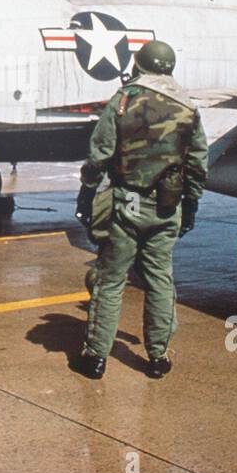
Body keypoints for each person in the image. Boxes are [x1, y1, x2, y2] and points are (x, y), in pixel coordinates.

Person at [74, 40, 207, 380]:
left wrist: (87, 194)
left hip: (126, 204)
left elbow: (100, 154)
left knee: (110, 280)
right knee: (161, 280)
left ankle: (95, 358)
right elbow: (197, 164)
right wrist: (190, 204)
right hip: (167, 208)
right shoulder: (188, 106)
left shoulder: (124, 99)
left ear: (140, 64)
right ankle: (158, 357)